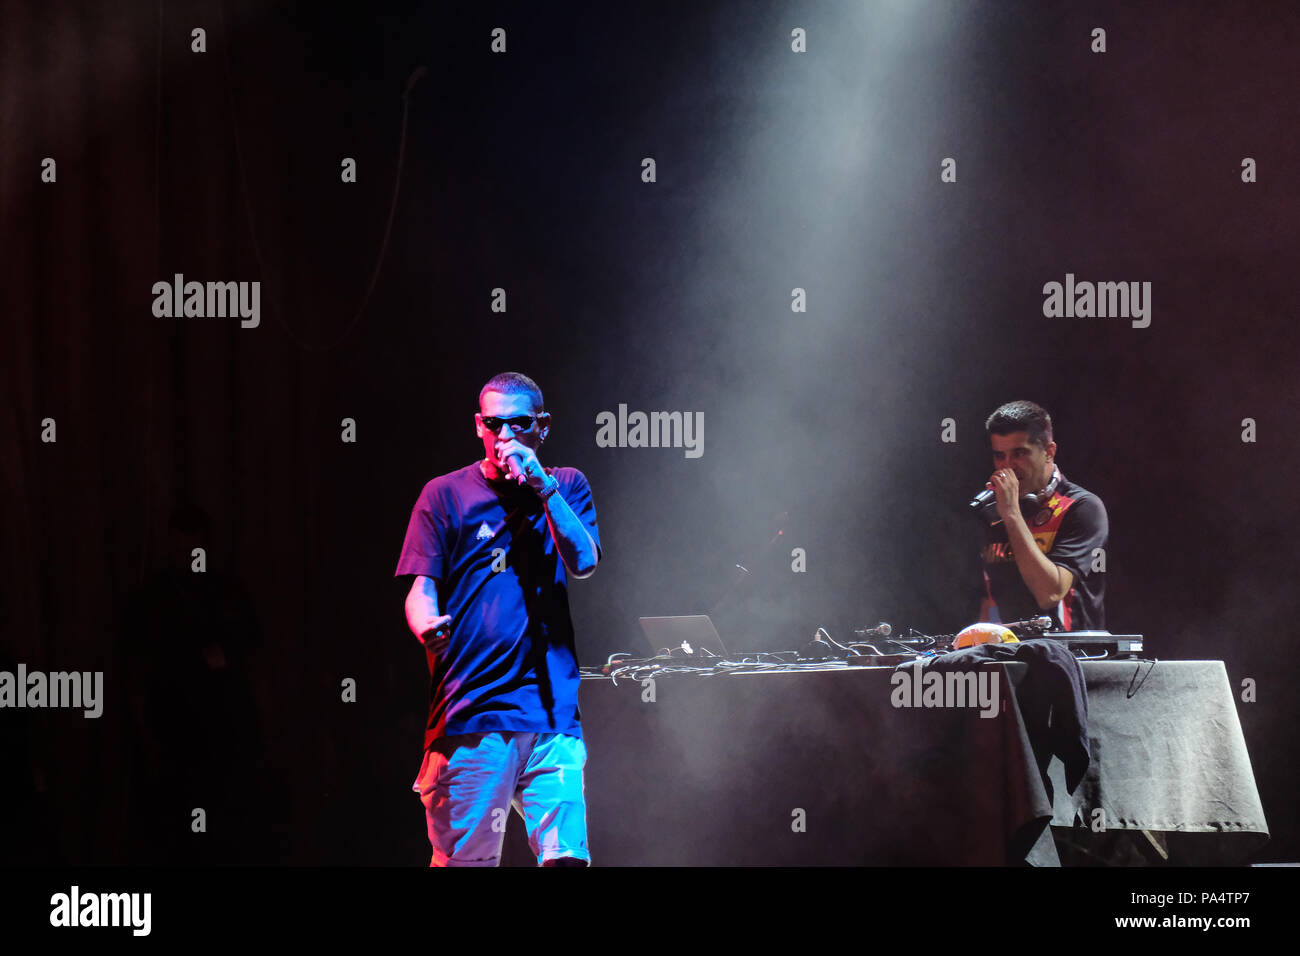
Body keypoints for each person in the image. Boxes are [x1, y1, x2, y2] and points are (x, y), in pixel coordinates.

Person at [395, 372, 601, 866]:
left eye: (519, 423)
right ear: (478, 425)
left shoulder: (565, 485)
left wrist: (542, 486)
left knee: (567, 858)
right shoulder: (444, 495)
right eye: (493, 423)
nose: (504, 436)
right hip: (473, 712)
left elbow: (585, 560)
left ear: (542, 426)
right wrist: (425, 624)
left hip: (551, 716)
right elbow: (419, 589)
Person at [976, 400, 1108, 631]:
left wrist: (1012, 516)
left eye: (1019, 453)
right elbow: (989, 599)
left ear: (1049, 452)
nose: (1008, 467)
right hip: (1008, 653)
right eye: (1000, 456)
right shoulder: (994, 511)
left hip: (1071, 657)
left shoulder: (1082, 508)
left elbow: (1050, 593)